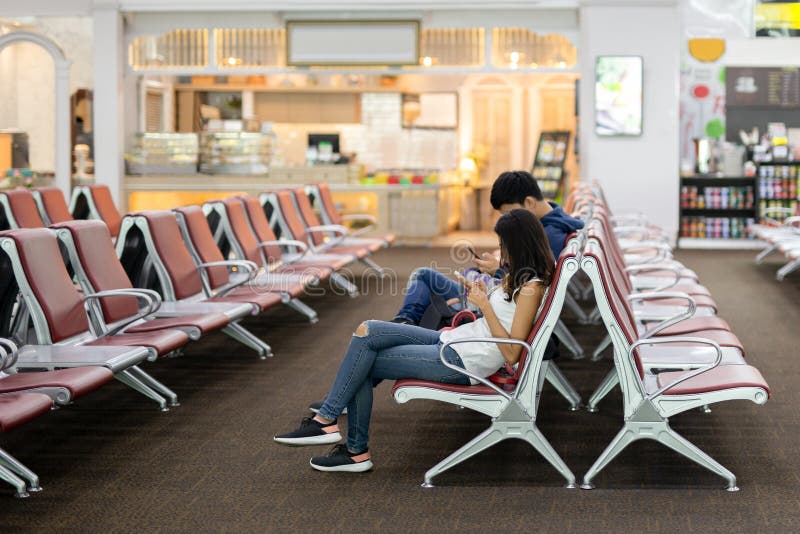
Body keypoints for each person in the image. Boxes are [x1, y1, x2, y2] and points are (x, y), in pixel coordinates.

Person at [274, 209, 555, 472]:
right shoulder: (521, 277)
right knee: (367, 330)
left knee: (365, 360)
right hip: (455, 340)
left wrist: (485, 305)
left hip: (463, 360)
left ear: (518, 245)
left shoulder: (532, 288)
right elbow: (505, 317)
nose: (501, 250)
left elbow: (511, 353)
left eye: (503, 244)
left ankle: (344, 440)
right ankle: (330, 425)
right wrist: (486, 291)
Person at [391, 170, 584, 326]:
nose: (507, 220)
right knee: (426, 279)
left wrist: (498, 270)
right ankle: (406, 322)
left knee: (423, 276)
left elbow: (530, 289)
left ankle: (405, 323)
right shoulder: (551, 227)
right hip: (493, 293)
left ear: (529, 202)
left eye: (510, 213)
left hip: (495, 301)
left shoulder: (548, 235)